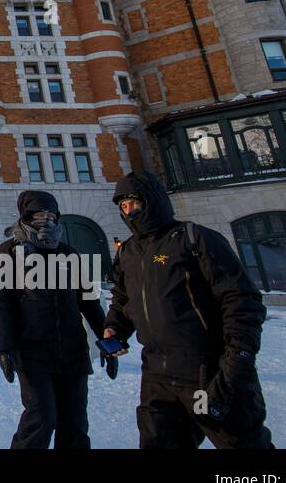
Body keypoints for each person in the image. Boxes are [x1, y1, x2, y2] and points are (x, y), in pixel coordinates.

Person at [103, 170, 273, 449]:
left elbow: (241, 300)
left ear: (153, 201)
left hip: (208, 368)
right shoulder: (128, 252)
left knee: (242, 444)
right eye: (123, 206)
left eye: (135, 203)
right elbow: (123, 299)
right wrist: (114, 328)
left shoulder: (196, 239)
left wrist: (237, 358)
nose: (129, 211)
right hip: (157, 373)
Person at [0, 190, 113, 449]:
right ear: (26, 217)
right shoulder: (9, 253)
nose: (45, 220)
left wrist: (107, 341)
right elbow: (2, 305)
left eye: (50, 215)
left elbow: (89, 301)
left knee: (75, 423)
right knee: (41, 419)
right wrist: (5, 348)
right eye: (38, 215)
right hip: (32, 351)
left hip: (72, 352)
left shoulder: (70, 253)